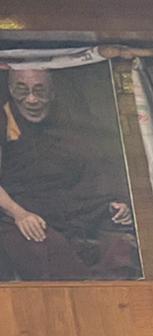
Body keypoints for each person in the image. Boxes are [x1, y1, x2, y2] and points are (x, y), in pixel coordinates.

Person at [0, 67, 139, 280]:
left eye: (40, 91)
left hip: (73, 207)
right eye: (22, 91)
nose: (31, 99)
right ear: (10, 90)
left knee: (121, 237)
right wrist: (19, 214)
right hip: (24, 211)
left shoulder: (71, 120)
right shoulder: (4, 122)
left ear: (52, 92)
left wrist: (119, 202)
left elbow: (99, 168)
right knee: (46, 247)